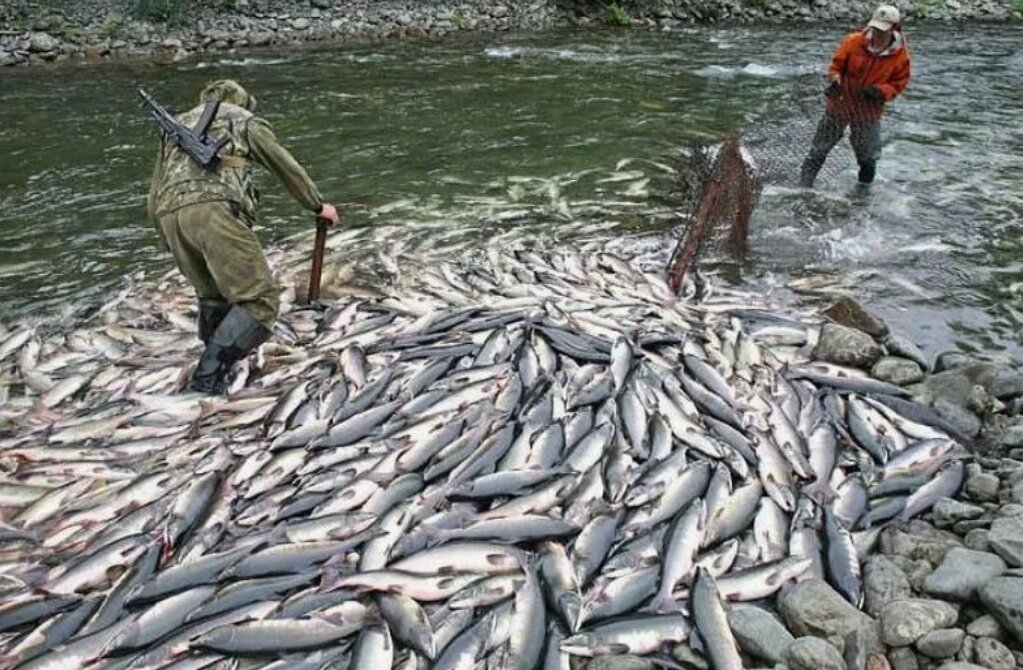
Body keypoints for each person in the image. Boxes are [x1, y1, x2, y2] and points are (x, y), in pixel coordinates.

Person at [146, 79, 340, 394]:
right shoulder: (244, 120)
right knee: (259, 300)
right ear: (241, 101)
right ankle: (204, 381)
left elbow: (155, 190)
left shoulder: (175, 127)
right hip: (214, 212)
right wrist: (317, 204)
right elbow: (284, 166)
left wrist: (166, 236)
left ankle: (218, 360)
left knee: (214, 294)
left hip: (170, 218)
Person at [799, 5, 911, 187]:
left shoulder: (901, 55)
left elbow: (899, 84)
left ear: (895, 29)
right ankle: (804, 187)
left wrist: (881, 91)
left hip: (869, 111)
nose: (877, 33)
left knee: (868, 157)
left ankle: (862, 196)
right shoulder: (853, 41)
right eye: (875, 28)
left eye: (882, 29)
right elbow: (836, 67)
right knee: (819, 148)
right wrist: (835, 81)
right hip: (840, 103)